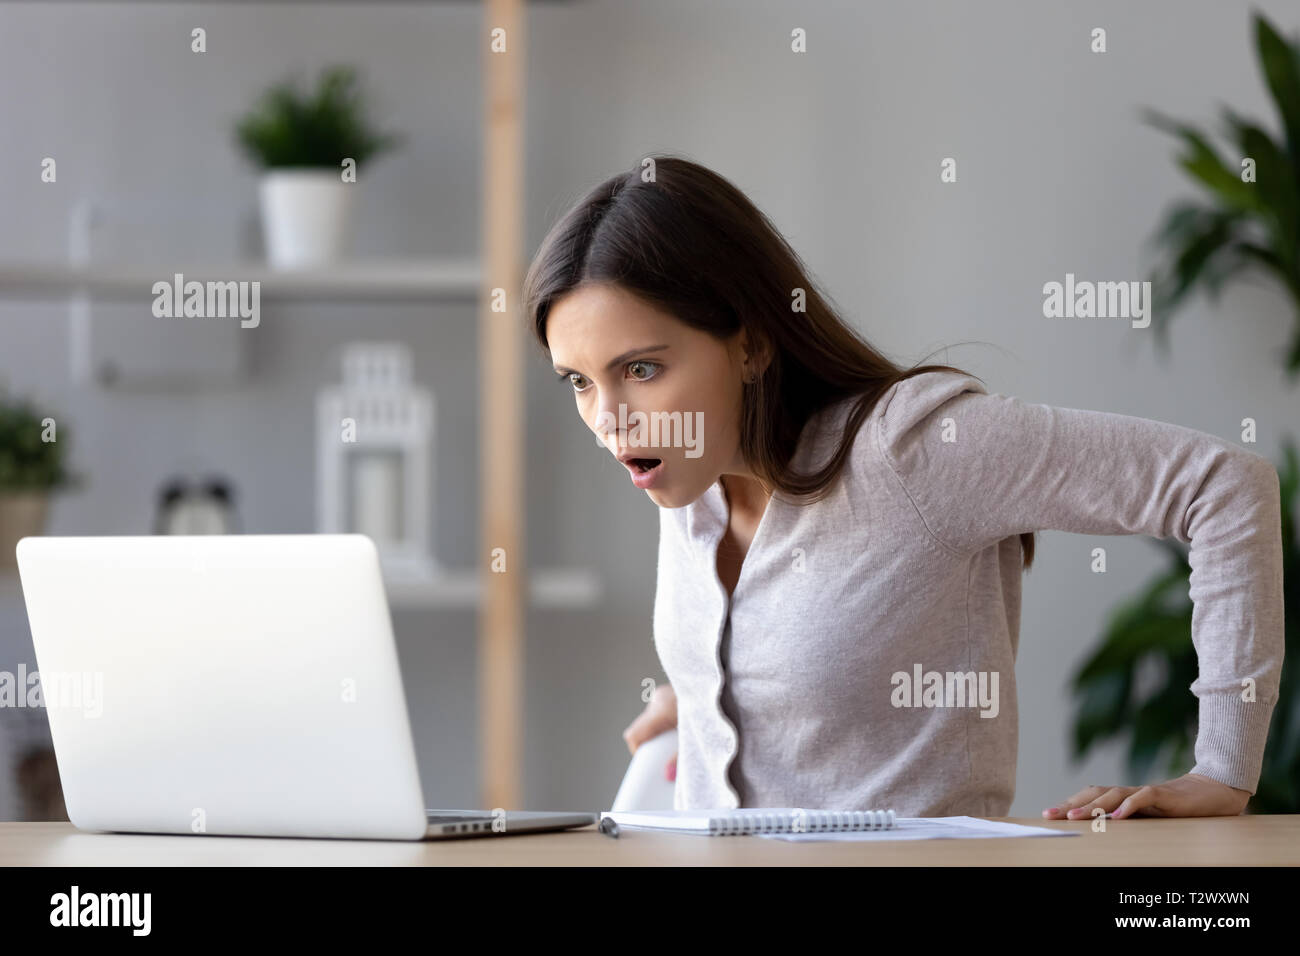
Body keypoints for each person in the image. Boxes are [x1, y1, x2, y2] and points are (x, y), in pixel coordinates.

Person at [523, 154, 1284, 819]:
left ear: (751, 342)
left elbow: (1225, 484)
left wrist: (1223, 766)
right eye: (578, 382)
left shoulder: (912, 448)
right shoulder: (692, 474)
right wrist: (709, 693)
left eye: (642, 369)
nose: (608, 421)